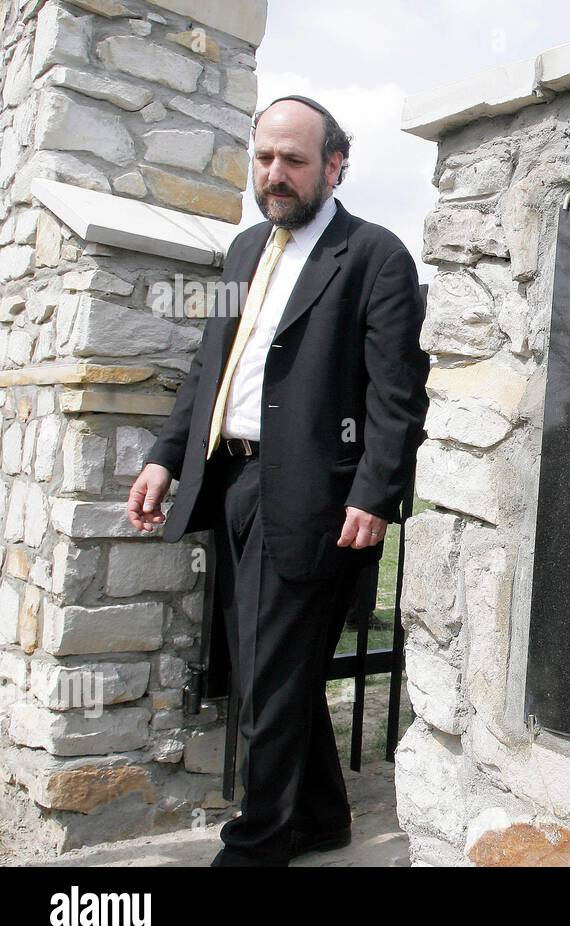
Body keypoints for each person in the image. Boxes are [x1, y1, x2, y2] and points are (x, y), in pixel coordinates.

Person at [125, 95, 429, 866]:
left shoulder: (374, 255)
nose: (276, 175)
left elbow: (397, 393)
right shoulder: (243, 250)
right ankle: (322, 818)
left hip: (313, 500)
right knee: (272, 668)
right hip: (229, 481)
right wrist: (166, 454)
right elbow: (209, 369)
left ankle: (255, 846)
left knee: (267, 678)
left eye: (294, 160)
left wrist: (375, 492)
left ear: (335, 165)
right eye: (265, 158)